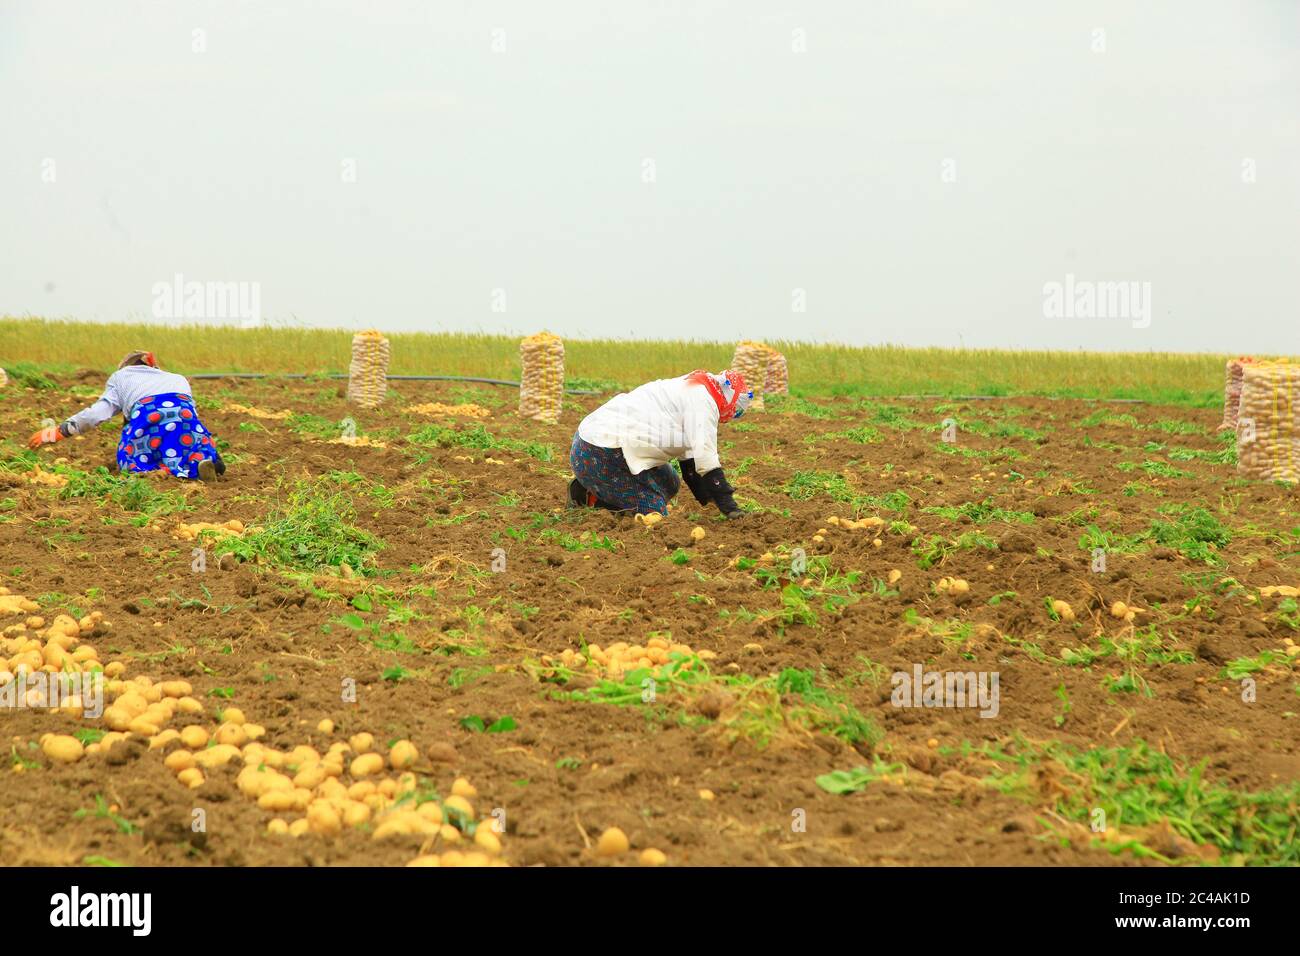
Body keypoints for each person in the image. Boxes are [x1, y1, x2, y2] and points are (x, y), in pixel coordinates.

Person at [568, 369, 751, 518]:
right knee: (654, 512)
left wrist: (710, 503)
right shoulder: (705, 403)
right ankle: (588, 496)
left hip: (597, 442)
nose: (734, 414)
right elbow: (707, 461)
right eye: (737, 409)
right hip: (599, 450)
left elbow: (691, 468)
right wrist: (730, 507)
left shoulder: (695, 388)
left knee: (669, 482)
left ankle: (597, 488)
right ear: (730, 398)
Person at [27, 350, 225, 481]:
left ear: (126, 366)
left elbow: (97, 414)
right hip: (186, 420)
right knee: (190, 443)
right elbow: (191, 414)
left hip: (150, 416)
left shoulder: (120, 377)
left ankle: (159, 472)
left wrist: (58, 432)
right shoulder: (177, 377)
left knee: (132, 457)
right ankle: (202, 464)